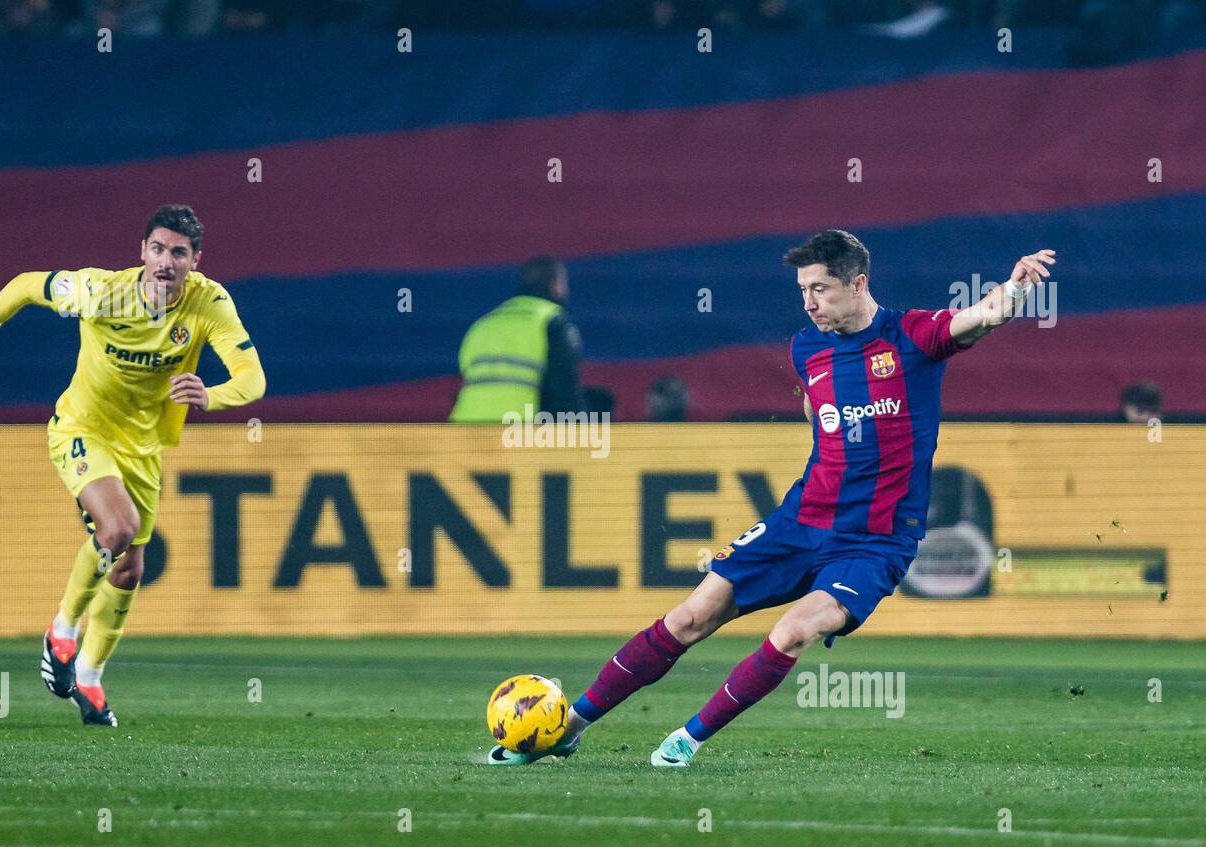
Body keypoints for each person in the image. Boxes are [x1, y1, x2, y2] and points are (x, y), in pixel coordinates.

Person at [490, 229, 1056, 767]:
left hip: (875, 543)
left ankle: (687, 740)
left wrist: (1015, 289)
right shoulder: (807, 348)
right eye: (803, 291)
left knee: (793, 630)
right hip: (800, 523)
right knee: (690, 617)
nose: (809, 303)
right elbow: (820, 414)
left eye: (820, 289)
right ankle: (569, 730)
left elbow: (979, 318)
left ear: (857, 283)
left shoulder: (909, 337)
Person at [0, 204, 266, 727]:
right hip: (82, 430)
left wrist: (212, 395)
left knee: (129, 569)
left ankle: (91, 680)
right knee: (119, 528)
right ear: (142, 251)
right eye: (158, 249)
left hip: (141, 448)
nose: (166, 262)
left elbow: (253, 378)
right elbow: (29, 285)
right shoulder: (100, 292)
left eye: (178, 253)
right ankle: (62, 631)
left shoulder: (209, 303)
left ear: (196, 260)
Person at [448, 255, 585, 422]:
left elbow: (466, 373)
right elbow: (564, 387)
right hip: (517, 430)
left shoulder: (484, 323)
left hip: (467, 426)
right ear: (555, 285)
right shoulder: (552, 321)